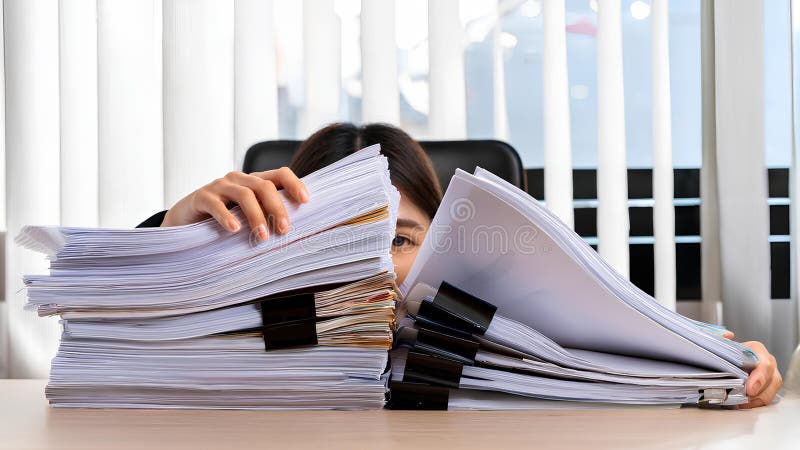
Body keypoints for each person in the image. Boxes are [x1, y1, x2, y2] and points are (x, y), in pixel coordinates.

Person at [139, 122, 782, 409]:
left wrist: (726, 362)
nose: (374, 266)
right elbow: (125, 348)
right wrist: (171, 237)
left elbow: (610, 344)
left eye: (399, 240)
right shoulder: (254, 324)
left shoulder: (492, 317)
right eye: (341, 240)